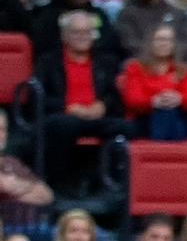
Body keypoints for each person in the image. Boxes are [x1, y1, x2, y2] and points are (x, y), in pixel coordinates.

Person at [33, 11, 133, 204]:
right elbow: (38, 98)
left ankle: (106, 186)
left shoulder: (106, 62)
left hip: (96, 117)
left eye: (87, 32)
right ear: (64, 36)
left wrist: (103, 105)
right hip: (65, 115)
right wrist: (70, 108)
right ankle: (61, 185)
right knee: (64, 125)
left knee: (127, 127)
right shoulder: (48, 62)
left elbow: (115, 97)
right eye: (77, 33)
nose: (83, 37)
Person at [118, 24, 187, 141]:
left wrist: (178, 98)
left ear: (174, 44)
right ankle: (171, 152)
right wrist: (154, 101)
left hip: (178, 116)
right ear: (150, 43)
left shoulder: (184, 70)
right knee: (165, 112)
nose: (164, 43)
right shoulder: (135, 68)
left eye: (168, 40)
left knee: (170, 113)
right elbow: (133, 100)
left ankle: (161, 151)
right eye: (159, 39)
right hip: (145, 118)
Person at [0, 114, 55, 241]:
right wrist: (28, 187)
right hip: (7, 232)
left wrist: (15, 189)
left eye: (3, 129)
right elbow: (5, 185)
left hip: (35, 230)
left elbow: (46, 195)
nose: (0, 134)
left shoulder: (12, 162)